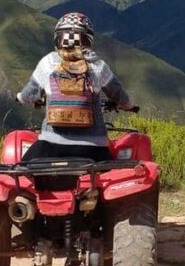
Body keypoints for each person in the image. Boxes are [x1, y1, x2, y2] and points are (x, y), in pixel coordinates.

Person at [16, 12, 133, 161]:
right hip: (93, 147)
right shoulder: (98, 65)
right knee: (111, 173)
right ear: (88, 38)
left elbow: (28, 95)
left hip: (51, 144)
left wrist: (20, 97)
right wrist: (128, 105)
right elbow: (119, 95)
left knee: (23, 168)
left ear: (58, 37)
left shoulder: (48, 62)